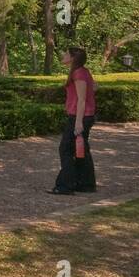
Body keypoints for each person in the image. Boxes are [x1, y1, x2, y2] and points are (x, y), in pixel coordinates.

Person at [50, 46, 97, 195]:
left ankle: (65, 186)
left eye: (66, 53)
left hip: (79, 116)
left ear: (72, 58)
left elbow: (82, 100)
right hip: (85, 115)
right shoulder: (83, 72)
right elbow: (95, 87)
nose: (63, 55)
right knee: (81, 150)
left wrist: (78, 122)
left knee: (66, 149)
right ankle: (85, 184)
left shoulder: (78, 73)